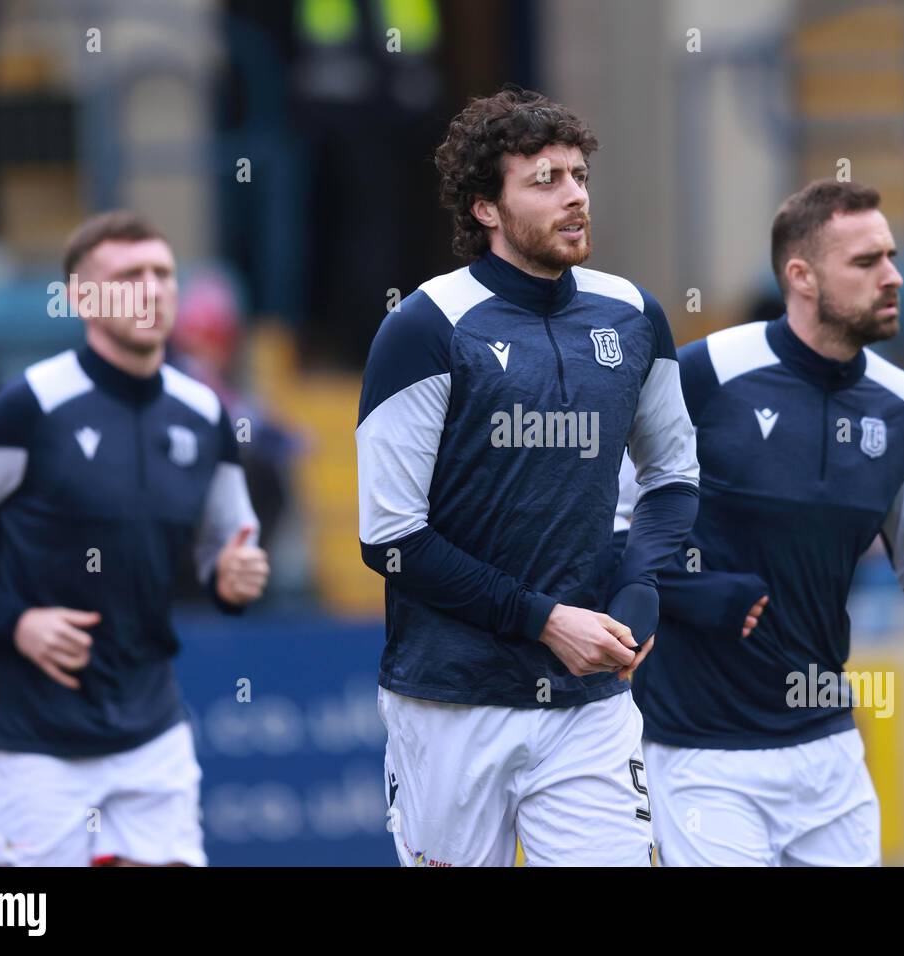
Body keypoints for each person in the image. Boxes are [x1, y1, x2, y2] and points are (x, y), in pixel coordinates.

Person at [615, 179, 904, 866]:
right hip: (699, 750)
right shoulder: (704, 374)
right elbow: (610, 527)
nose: (892, 276)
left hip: (828, 749)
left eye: (891, 256)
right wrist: (698, 595)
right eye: (865, 263)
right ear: (800, 276)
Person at [356, 87, 699, 866]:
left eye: (579, 175)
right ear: (485, 207)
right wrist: (546, 619)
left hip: (590, 705)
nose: (575, 196)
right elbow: (391, 538)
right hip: (450, 698)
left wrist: (640, 590)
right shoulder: (424, 327)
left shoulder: (633, 315)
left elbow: (673, 477)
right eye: (545, 180)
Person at [0, 211, 269, 866]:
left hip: (152, 731)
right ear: (82, 298)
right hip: (34, 743)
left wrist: (231, 579)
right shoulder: (30, 405)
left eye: (162, 274)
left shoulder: (206, 413)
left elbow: (225, 546)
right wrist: (14, 623)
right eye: (128, 277)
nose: (150, 290)